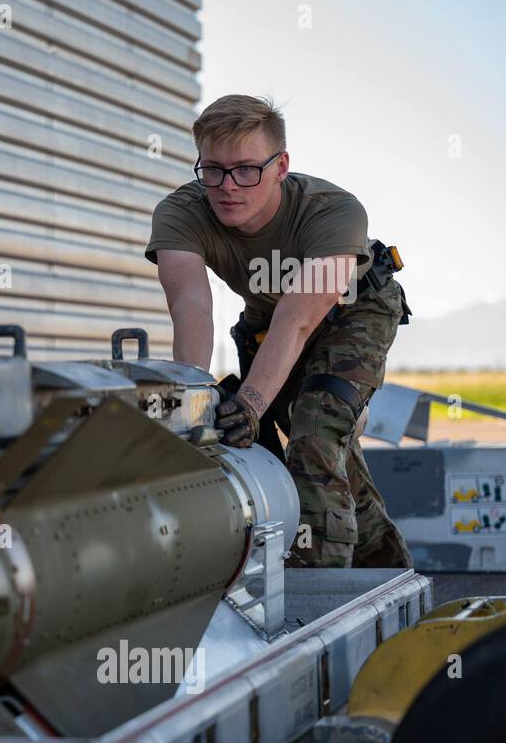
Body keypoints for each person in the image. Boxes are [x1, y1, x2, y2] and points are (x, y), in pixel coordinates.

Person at [145, 94, 413, 569]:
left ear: (281, 165)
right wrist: (187, 402)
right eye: (213, 170)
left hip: (354, 310)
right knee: (326, 455)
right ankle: (388, 573)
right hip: (268, 318)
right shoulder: (181, 212)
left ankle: (318, 589)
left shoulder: (333, 211)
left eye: (247, 169)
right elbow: (191, 305)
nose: (228, 187)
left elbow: (301, 317)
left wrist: (250, 402)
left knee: (315, 429)